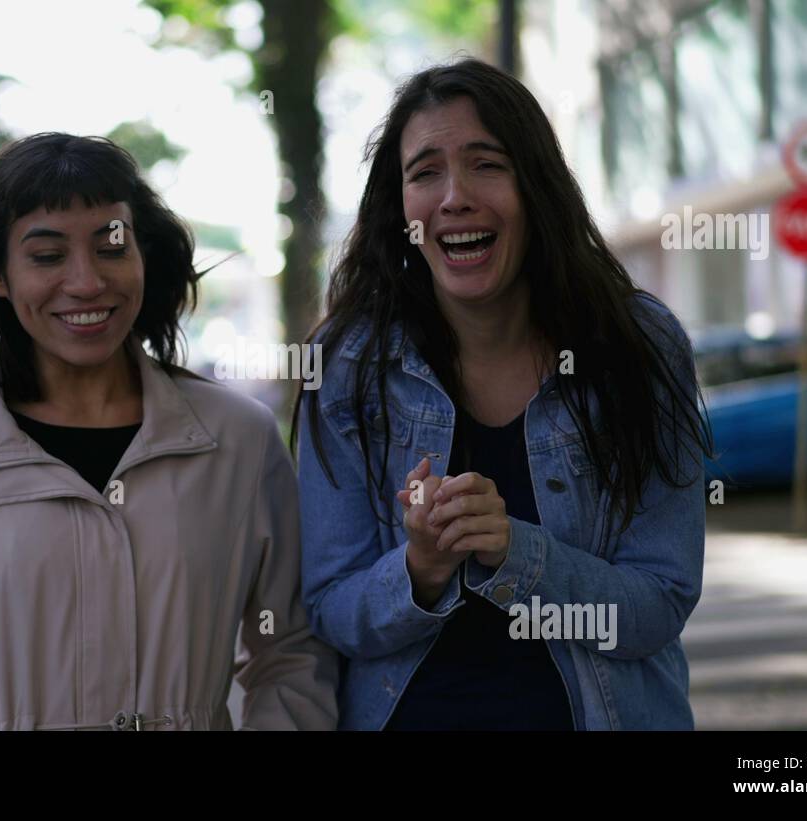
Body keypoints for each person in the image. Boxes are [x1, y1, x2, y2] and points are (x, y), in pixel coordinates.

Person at [0, 132, 338, 731]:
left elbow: (293, 650)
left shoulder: (239, 439)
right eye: (48, 256)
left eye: (111, 246)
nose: (86, 282)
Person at [294, 58, 712, 730]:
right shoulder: (346, 364)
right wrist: (421, 567)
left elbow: (657, 605)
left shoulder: (639, 343)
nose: (454, 195)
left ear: (535, 185)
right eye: (424, 171)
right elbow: (331, 610)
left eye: (486, 163)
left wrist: (514, 551)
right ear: (398, 207)